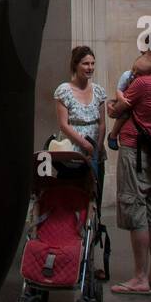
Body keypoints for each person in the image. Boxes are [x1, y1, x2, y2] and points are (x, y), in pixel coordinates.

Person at [107, 42, 151, 295]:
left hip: (134, 150)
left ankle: (139, 278)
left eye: (146, 52)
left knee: (135, 207)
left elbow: (116, 110)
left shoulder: (143, 83)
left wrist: (110, 107)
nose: (141, 56)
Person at [54, 46, 107, 275]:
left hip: (94, 151)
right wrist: (83, 144)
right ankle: (69, 253)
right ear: (76, 64)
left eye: (93, 63)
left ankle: (90, 257)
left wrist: (97, 145)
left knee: (94, 202)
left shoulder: (99, 92)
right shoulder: (64, 91)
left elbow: (102, 123)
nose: (90, 68)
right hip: (73, 151)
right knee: (72, 200)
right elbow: (63, 124)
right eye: (85, 63)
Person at [107, 52, 151, 149]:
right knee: (124, 116)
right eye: (134, 69)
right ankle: (113, 135)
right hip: (124, 100)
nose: (134, 73)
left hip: (136, 105)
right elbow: (119, 90)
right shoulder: (127, 75)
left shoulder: (147, 81)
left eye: (139, 73)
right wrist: (121, 99)